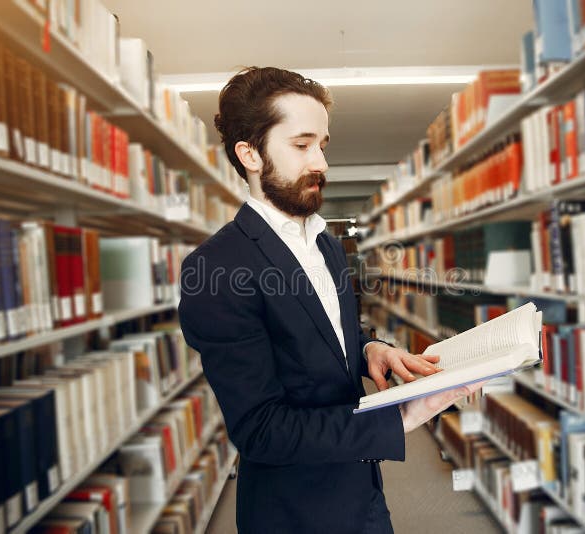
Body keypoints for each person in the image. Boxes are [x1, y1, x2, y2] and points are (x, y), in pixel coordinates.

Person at [178, 66, 481, 534]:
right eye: (301, 145)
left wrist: (367, 350)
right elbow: (261, 430)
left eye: (323, 145)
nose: (320, 162)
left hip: (363, 495)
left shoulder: (326, 243)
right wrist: (403, 417)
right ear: (250, 155)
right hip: (295, 513)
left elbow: (328, 333)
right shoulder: (215, 269)